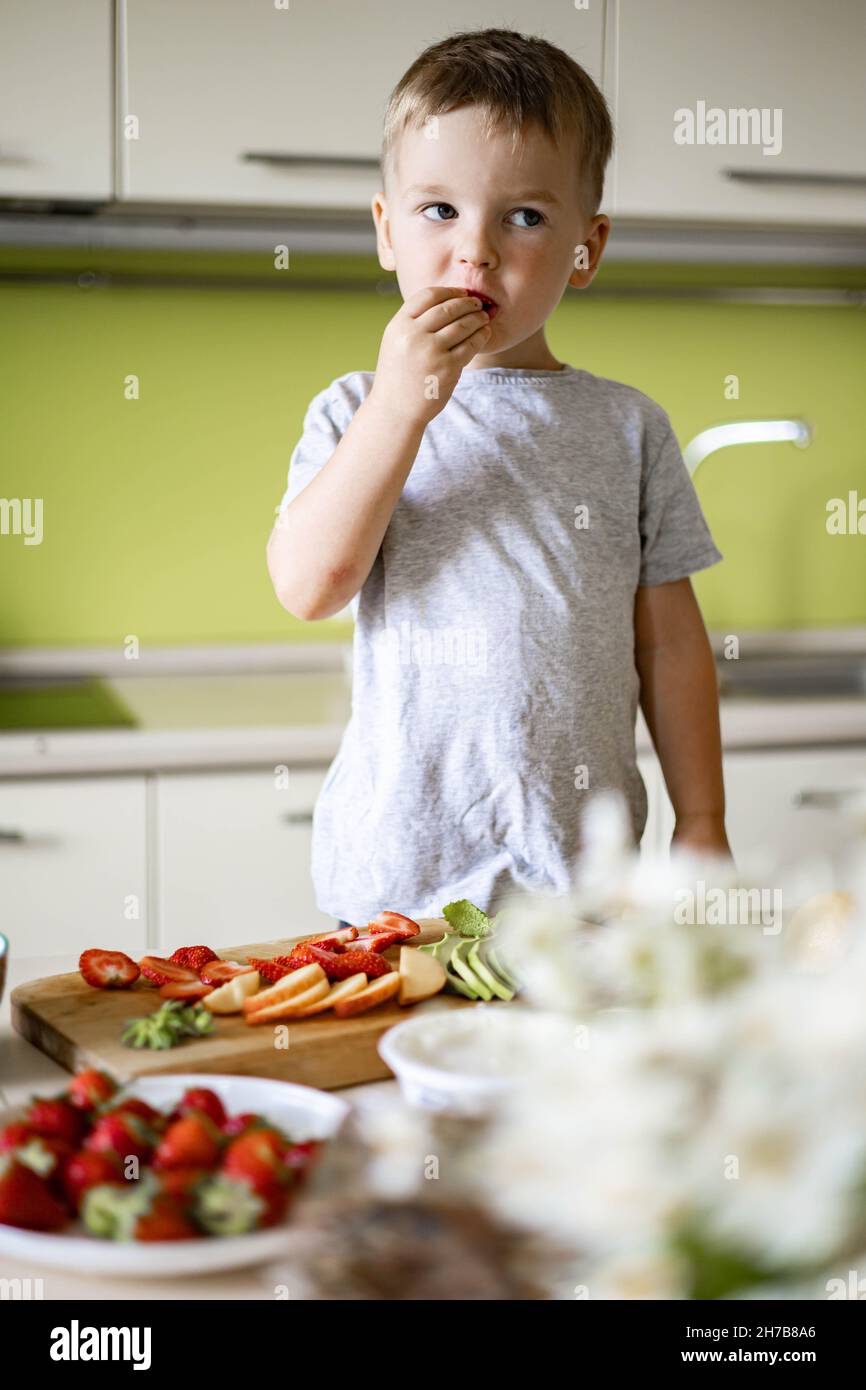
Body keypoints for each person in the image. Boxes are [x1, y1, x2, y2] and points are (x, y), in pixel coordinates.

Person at [267, 28, 731, 927]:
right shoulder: (353, 410)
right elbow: (308, 587)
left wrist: (703, 817)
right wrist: (402, 409)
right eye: (439, 210)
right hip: (394, 887)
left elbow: (670, 646)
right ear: (385, 232)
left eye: (524, 216)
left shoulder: (630, 428)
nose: (475, 252)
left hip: (580, 895)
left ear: (586, 247)